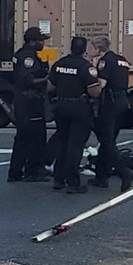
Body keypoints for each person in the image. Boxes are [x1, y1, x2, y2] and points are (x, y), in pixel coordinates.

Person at [47, 36, 103, 194]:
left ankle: (58, 179)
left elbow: (50, 87)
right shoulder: (86, 67)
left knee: (62, 142)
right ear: (84, 49)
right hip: (79, 108)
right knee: (75, 145)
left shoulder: (59, 64)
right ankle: (73, 182)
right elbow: (94, 91)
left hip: (61, 106)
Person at [88, 36, 133, 192]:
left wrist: (93, 73)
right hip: (123, 102)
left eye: (92, 48)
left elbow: (101, 84)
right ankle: (101, 176)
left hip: (110, 103)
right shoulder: (122, 60)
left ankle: (124, 172)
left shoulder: (105, 61)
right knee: (109, 140)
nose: (90, 51)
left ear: (98, 49)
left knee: (106, 141)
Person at [8, 27, 51, 182]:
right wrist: (48, 79)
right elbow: (29, 80)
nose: (42, 43)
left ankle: (17, 171)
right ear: (32, 41)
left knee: (24, 137)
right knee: (34, 137)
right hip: (30, 101)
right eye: (40, 40)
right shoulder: (28, 57)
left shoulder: (23, 54)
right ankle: (32, 171)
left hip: (25, 101)